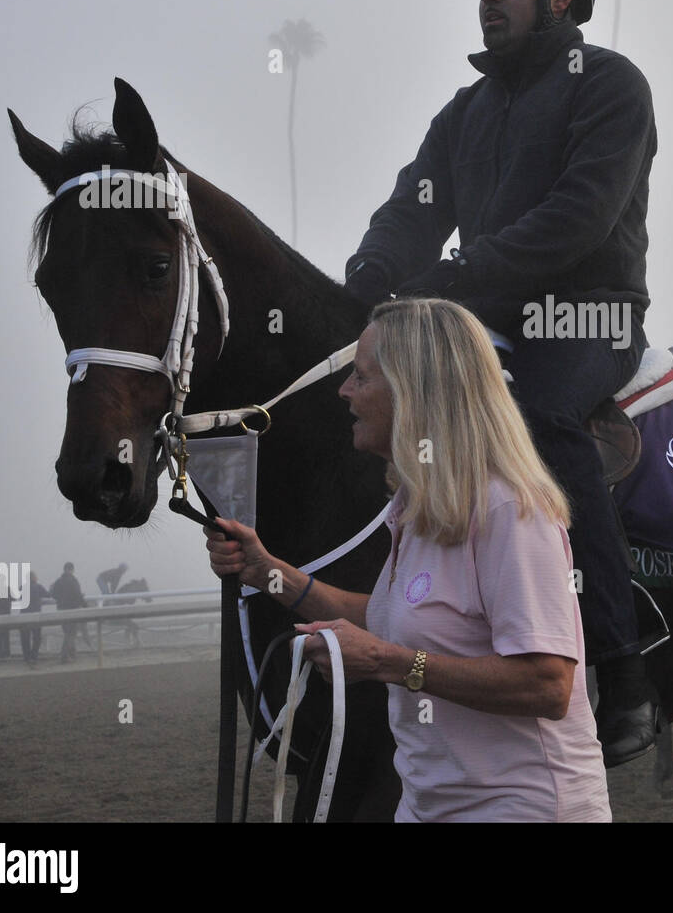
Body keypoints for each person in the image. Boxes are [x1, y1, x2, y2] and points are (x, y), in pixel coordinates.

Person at [341, 0, 658, 764]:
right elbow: (414, 209)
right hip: (483, 317)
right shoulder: (466, 110)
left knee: (545, 418)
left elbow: (577, 218)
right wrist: (369, 274)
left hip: (587, 313)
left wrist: (456, 274)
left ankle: (623, 668)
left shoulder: (611, 84)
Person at [206, 299, 610, 822]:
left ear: (416, 391)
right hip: (426, 807)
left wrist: (384, 662)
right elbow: (391, 615)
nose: (344, 391)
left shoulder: (508, 509)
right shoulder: (414, 507)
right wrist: (269, 574)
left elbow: (548, 684)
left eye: (361, 377)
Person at [49, 562, 85, 663]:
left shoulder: (58, 581)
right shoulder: (73, 581)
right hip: (72, 610)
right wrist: (86, 606)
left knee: (67, 632)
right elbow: (78, 595)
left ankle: (71, 654)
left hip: (61, 610)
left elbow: (54, 595)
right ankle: (65, 656)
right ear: (71, 569)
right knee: (71, 633)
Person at [19, 571, 50, 666]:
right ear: (33, 578)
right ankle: (34, 655)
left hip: (24, 615)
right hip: (36, 615)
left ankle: (27, 657)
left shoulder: (22, 587)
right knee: (37, 637)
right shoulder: (38, 587)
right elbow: (48, 595)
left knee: (25, 637)